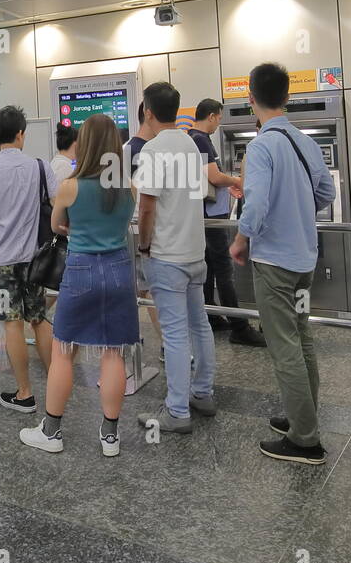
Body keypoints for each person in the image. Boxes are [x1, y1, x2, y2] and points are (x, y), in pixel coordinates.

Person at [230, 63, 336, 463]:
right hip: (305, 257)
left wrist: (241, 239)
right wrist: (297, 209)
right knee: (302, 337)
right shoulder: (303, 141)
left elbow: (254, 205)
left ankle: (305, 440)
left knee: (284, 344)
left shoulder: (260, 147)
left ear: (251, 99)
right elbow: (325, 190)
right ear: (287, 98)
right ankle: (300, 418)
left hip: (274, 261)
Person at [20, 114, 138, 456]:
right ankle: (110, 437)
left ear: (83, 145)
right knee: (113, 352)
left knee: (64, 351)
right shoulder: (129, 186)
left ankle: (52, 432)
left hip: (81, 268)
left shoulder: (70, 186)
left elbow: (57, 225)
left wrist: (75, 229)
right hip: (118, 269)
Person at [133, 81, 217, 435]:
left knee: (176, 334)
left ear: (148, 112)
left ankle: (177, 410)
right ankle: (203, 393)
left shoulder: (153, 150)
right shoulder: (190, 143)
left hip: (167, 256)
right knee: (200, 325)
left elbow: (147, 204)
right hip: (196, 252)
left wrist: (144, 244)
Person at [0, 105, 57, 413]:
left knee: (12, 325)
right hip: (35, 260)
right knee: (39, 320)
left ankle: (24, 393)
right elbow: (57, 210)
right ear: (21, 134)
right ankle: (57, 384)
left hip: (2, 264)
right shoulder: (41, 167)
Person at [188, 98, 264, 346]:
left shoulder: (194, 138)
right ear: (211, 116)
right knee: (224, 268)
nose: (219, 123)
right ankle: (239, 327)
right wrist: (238, 182)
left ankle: (212, 316)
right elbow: (213, 175)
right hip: (212, 216)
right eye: (219, 118)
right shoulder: (200, 139)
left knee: (209, 267)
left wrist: (226, 187)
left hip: (207, 213)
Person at [123, 102, 163, 356]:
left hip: (146, 230)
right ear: (148, 116)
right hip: (140, 232)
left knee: (141, 288)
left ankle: (132, 336)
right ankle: (166, 344)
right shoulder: (134, 151)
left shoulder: (129, 149)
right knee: (149, 289)